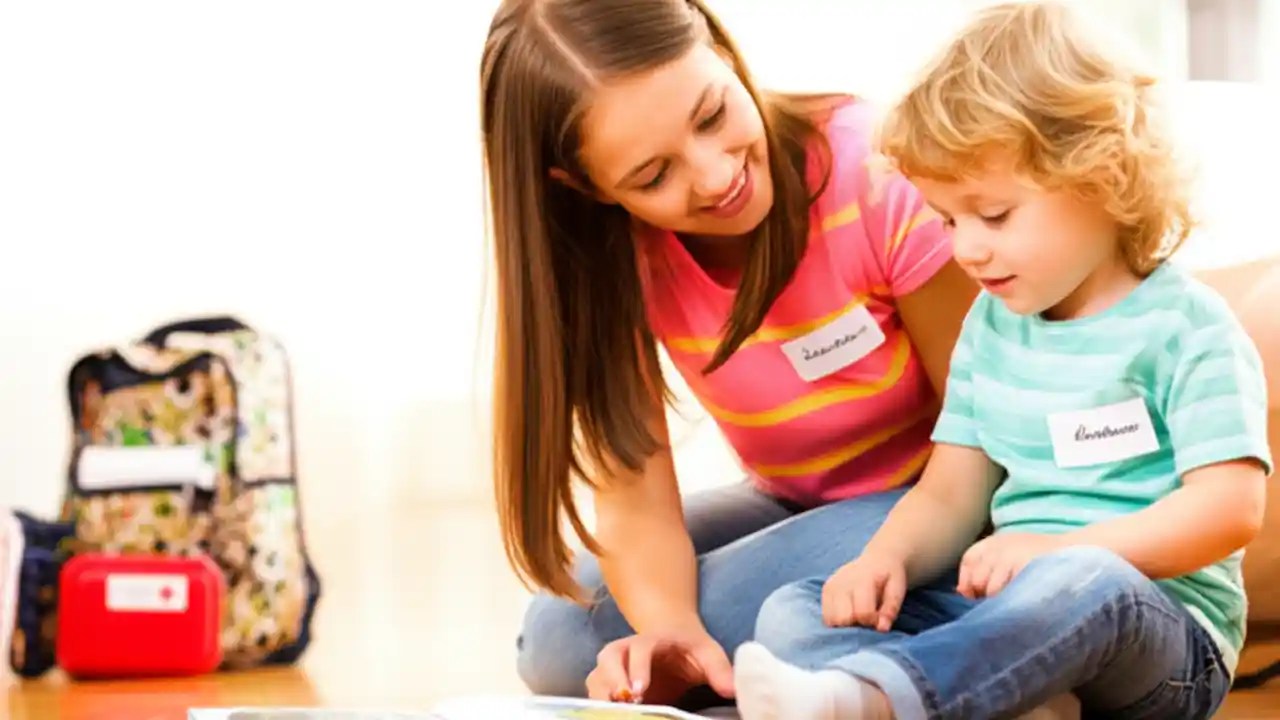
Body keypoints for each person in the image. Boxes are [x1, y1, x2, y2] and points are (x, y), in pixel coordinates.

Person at [730, 3, 1273, 719]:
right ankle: (996, 696)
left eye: (993, 215)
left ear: (1102, 178)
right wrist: (883, 561)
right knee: (796, 608)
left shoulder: (1187, 327)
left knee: (1086, 581)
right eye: (947, 219)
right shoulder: (992, 326)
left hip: (1163, 641)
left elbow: (1229, 510)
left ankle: (881, 700)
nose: (965, 250)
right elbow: (951, 495)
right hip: (1012, 607)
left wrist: (1062, 548)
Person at [479, 0, 980, 707]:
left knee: (726, 619)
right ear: (585, 188)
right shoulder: (612, 256)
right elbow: (635, 500)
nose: (716, 177)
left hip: (949, 496)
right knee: (558, 637)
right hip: (798, 500)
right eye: (652, 176)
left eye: (712, 115)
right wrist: (671, 630)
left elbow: (986, 429)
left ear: (716, 44)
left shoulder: (875, 170)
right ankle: (801, 661)